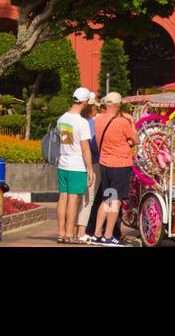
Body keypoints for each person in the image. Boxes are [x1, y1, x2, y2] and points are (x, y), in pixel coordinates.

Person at [90, 93, 137, 245]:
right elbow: (135, 140)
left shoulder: (97, 120)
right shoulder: (123, 122)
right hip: (120, 166)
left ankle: (97, 233)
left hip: (105, 164)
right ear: (117, 105)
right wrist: (131, 123)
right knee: (115, 201)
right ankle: (108, 235)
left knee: (106, 199)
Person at [55, 86, 95, 244]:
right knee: (74, 199)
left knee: (62, 197)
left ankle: (61, 233)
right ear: (85, 102)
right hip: (77, 165)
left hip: (63, 163)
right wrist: (90, 169)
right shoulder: (82, 122)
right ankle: (70, 234)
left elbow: (64, 140)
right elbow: (85, 149)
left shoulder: (62, 119)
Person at [76, 97, 100, 242]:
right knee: (88, 200)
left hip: (75, 164)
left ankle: (70, 231)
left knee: (75, 199)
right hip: (92, 163)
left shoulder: (73, 121)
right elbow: (92, 146)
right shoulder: (91, 123)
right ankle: (81, 232)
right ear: (91, 108)